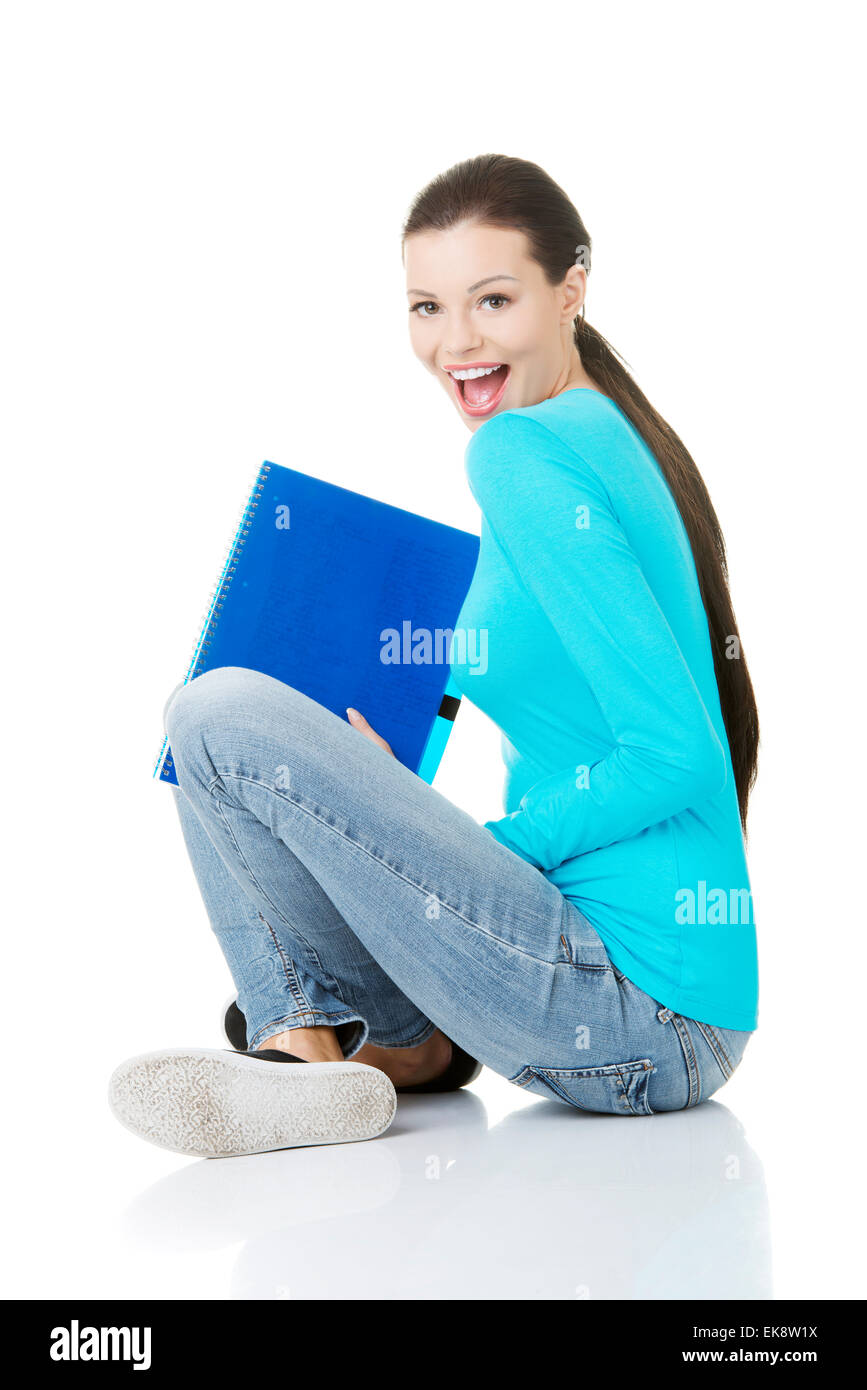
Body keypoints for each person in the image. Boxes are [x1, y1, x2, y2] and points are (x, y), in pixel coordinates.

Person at [109, 153, 760, 1159]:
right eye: (425, 307)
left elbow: (675, 751)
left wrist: (489, 845)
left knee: (210, 712)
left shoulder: (519, 452)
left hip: (638, 1015)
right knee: (231, 733)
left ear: (569, 291)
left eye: (492, 300)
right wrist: (382, 787)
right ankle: (387, 1045)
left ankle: (302, 1053)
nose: (455, 342)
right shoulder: (603, 434)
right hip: (667, 1017)